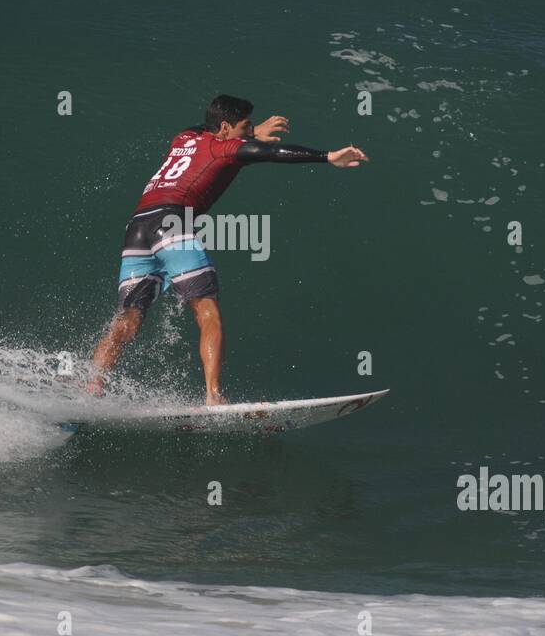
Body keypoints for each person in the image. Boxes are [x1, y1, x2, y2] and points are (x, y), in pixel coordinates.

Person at [86, 94, 369, 404]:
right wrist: (328, 156)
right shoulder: (226, 148)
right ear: (224, 128)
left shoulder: (184, 138)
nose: (249, 133)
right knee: (207, 312)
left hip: (137, 227)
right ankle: (213, 395)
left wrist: (252, 129)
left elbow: (201, 127)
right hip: (172, 223)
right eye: (245, 126)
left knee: (130, 316)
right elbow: (273, 153)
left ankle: (93, 383)